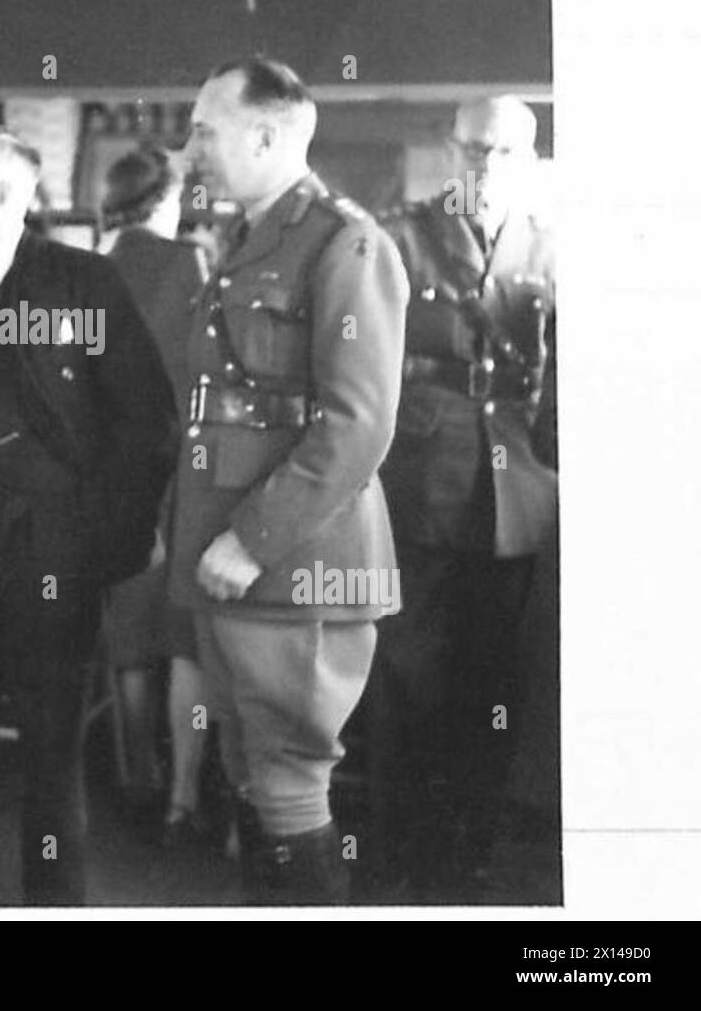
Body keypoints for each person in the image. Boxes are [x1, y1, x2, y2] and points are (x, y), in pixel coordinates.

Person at [0, 123, 176, 904]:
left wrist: (99, 549)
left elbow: (148, 427)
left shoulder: (86, 284)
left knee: (52, 776)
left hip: (55, 566)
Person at [169, 57, 409, 904]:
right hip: (235, 561)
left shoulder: (345, 242)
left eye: (205, 128)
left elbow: (357, 423)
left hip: (295, 563)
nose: (190, 146)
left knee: (288, 783)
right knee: (250, 774)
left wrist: (251, 537)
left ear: (267, 134)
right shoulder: (253, 237)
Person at [368, 95, 556, 900]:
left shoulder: (550, 247)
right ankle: (402, 853)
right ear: (451, 150)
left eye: (505, 152)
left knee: (495, 685)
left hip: (513, 493)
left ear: (530, 158)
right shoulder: (400, 236)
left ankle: (473, 850)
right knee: (410, 678)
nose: (487, 166)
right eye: (475, 149)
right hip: (421, 484)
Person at [98, 146, 215, 847]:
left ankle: (134, 776)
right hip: (184, 475)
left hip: (112, 481)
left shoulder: (86, 268)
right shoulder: (189, 263)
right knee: (186, 641)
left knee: (130, 641)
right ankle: (182, 797)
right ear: (166, 200)